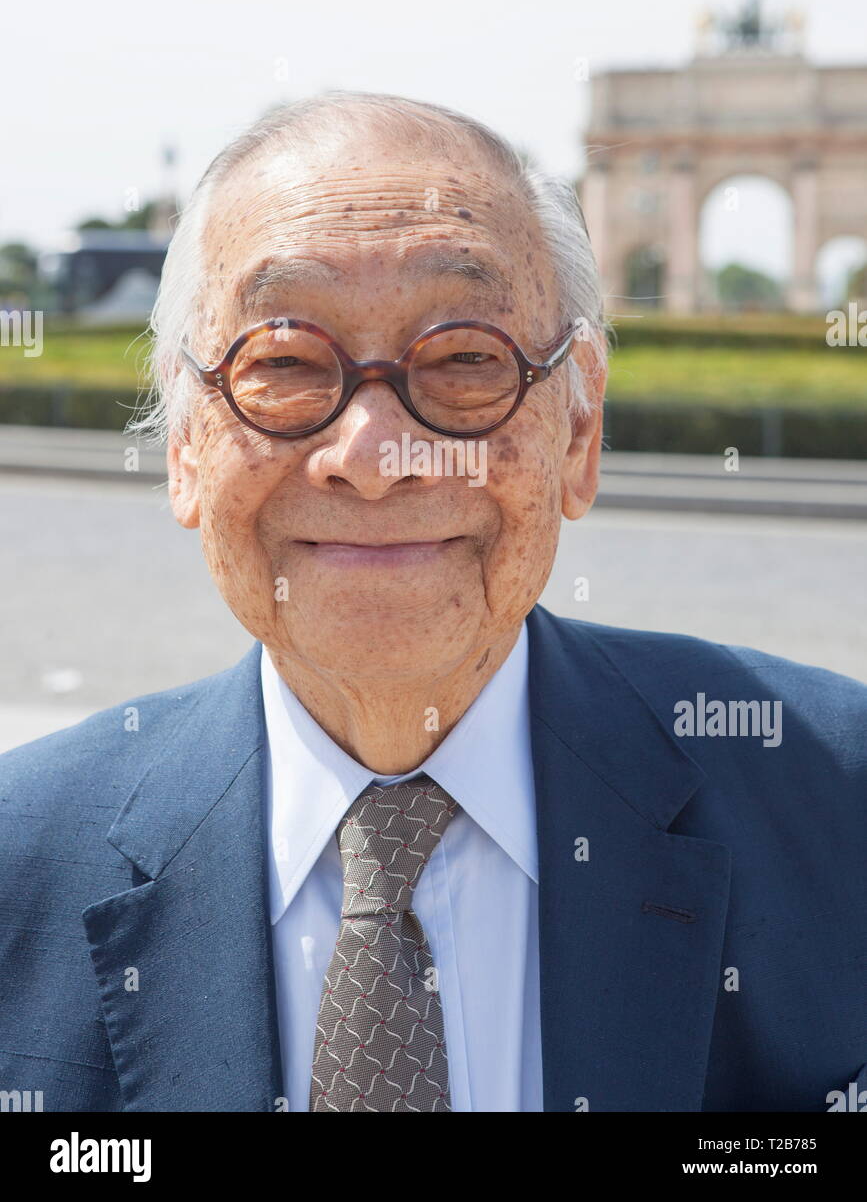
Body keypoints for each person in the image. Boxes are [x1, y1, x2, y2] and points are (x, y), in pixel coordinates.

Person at [1, 92, 865, 1113]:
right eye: (281, 360)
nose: (374, 455)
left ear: (580, 431)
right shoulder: (20, 866)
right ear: (184, 447)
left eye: (464, 360)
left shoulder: (838, 804)